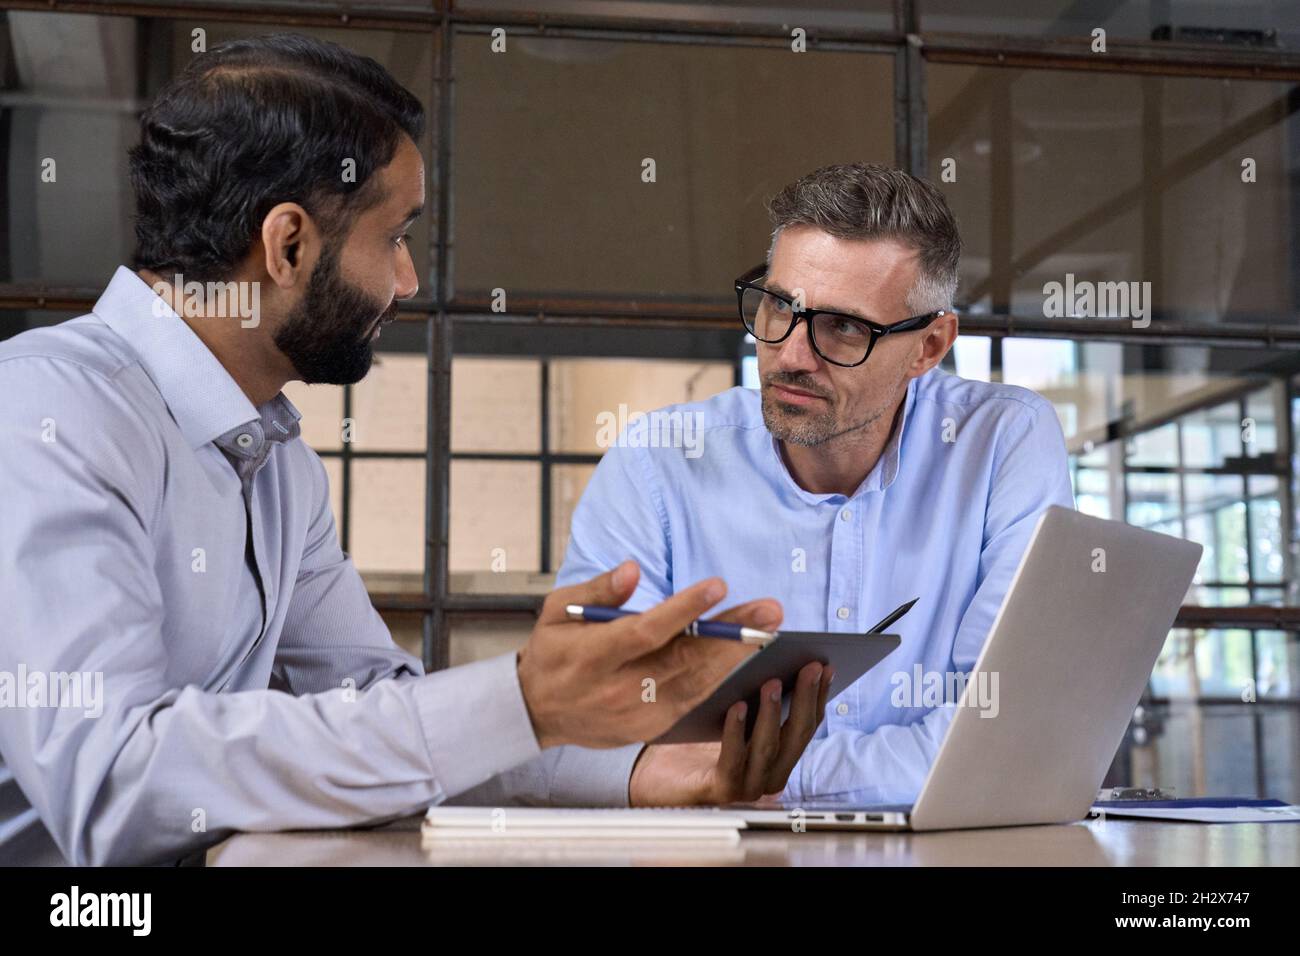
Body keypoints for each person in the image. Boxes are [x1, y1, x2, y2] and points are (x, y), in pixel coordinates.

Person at [0, 33, 827, 866]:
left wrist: (642, 771)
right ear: (288, 245)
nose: (408, 283)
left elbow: (380, 707)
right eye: (394, 237)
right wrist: (522, 702)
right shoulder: (44, 412)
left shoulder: (276, 458)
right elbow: (115, 785)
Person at [557, 162, 1074, 805]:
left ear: (929, 347)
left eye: (844, 327)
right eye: (780, 307)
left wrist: (747, 776)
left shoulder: (1002, 444)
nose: (792, 356)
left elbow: (1003, 733)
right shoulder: (657, 462)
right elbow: (572, 733)